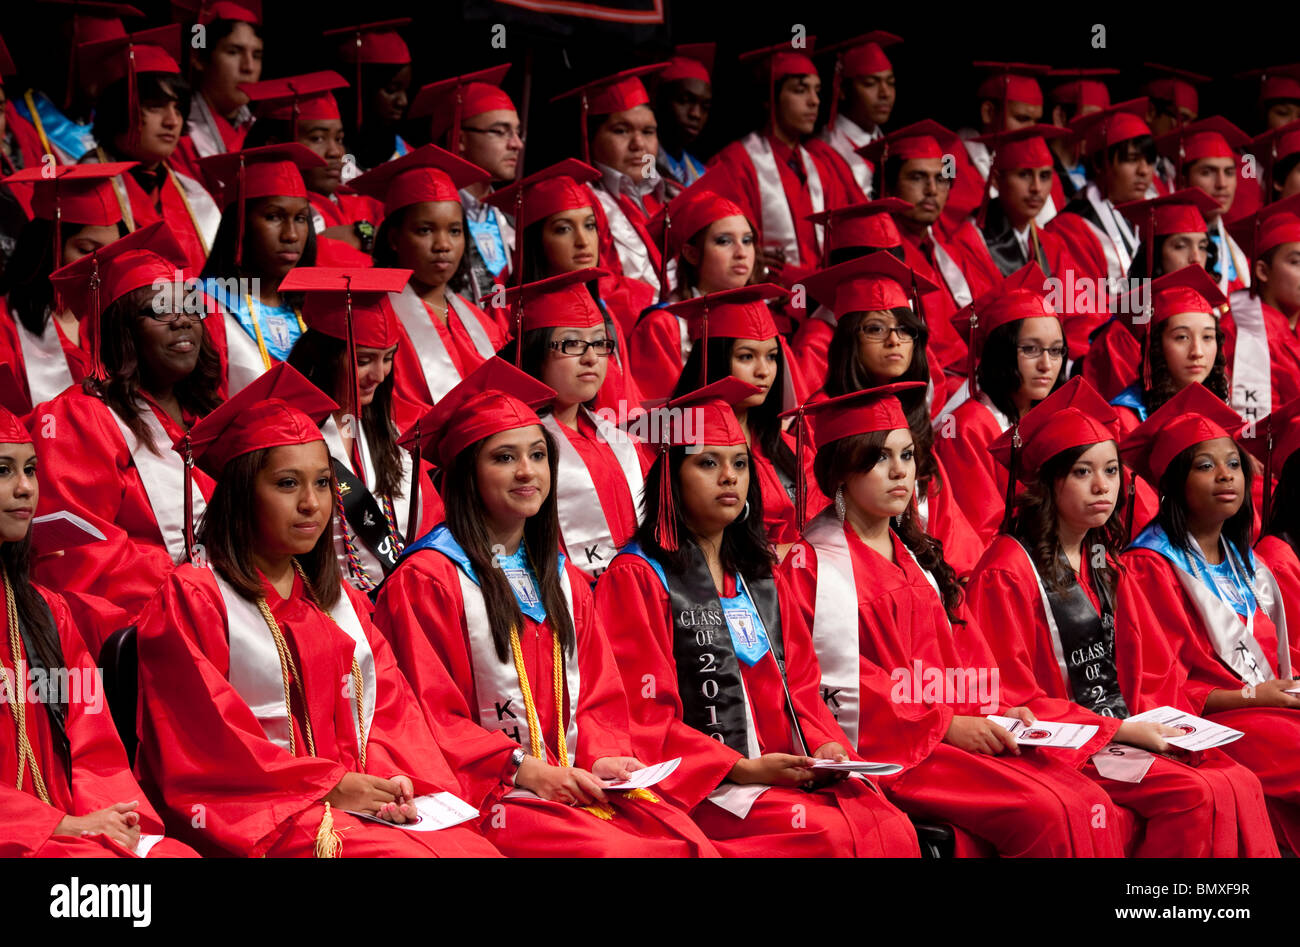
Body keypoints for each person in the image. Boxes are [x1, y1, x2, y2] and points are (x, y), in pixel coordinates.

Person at [135, 363, 500, 857]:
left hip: (359, 802)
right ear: (243, 494)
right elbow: (205, 741)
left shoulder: (341, 600)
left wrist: (394, 781)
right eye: (287, 484)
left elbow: (391, 713)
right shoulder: (195, 598)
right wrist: (328, 786)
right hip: (267, 816)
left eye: (324, 484)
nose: (312, 504)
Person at [371, 358, 720, 856]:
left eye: (537, 455)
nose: (527, 471)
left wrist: (603, 758)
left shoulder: (561, 577)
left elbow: (598, 695)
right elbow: (428, 714)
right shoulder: (428, 579)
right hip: (491, 792)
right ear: (468, 474)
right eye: (504, 458)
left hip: (571, 778)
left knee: (684, 837)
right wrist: (522, 768)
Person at [779, 382, 1127, 857]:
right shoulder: (811, 566)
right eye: (880, 458)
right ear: (841, 473)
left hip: (946, 732)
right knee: (1045, 810)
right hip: (889, 751)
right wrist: (944, 724)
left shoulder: (917, 557)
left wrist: (994, 707)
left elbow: (965, 655)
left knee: (1081, 797)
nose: (901, 471)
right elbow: (823, 681)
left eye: (907, 456)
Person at [594, 377, 921, 856]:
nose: (730, 477)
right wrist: (742, 768)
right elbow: (642, 715)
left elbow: (804, 685)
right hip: (703, 786)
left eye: (740, 464)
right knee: (830, 835)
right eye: (708, 463)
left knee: (886, 822)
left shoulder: (759, 574)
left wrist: (823, 746)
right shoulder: (638, 577)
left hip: (782, 772)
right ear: (670, 478)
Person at [967, 377, 1279, 857]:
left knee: (1235, 778)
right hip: (1065, 746)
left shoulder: (1107, 563)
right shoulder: (1006, 571)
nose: (1102, 487)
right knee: (1194, 792)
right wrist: (1119, 730)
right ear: (1050, 482)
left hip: (1121, 731)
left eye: (1112, 471)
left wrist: (1169, 723)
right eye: (1083, 473)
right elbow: (1013, 697)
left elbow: (1153, 671)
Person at [0, 403, 197, 858]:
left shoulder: (44, 611)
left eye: (30, 469)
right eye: (4, 470)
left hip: (65, 825)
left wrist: (110, 819)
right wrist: (63, 825)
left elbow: (91, 744)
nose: (25, 487)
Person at [1119, 383, 1300, 853]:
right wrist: (1251, 693)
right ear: (1175, 481)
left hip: (1269, 711)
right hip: (1218, 726)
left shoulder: (1244, 562)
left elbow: (1281, 657)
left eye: (1234, 464)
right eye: (1206, 466)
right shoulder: (1150, 565)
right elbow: (1161, 691)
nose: (1227, 476)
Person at [33, 222, 221, 652]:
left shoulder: (208, 415)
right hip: (142, 626)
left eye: (190, 307)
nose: (181, 322)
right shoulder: (79, 417)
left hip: (221, 606)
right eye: (158, 310)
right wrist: (201, 587)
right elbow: (80, 554)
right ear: (121, 329)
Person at [801, 252, 983, 575]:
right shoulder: (820, 422)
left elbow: (956, 544)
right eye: (875, 328)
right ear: (849, 339)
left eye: (904, 329)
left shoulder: (915, 431)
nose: (894, 340)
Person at [284, 266, 441, 594]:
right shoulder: (285, 434)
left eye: (388, 358)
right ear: (324, 357)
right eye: (364, 360)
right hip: (320, 601)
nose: (380, 374)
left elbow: (428, 527)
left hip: (397, 603)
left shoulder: (393, 435)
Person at [496, 270, 646, 584]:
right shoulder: (514, 448)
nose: (591, 358)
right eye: (572, 344)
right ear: (536, 353)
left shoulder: (621, 441)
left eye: (600, 343)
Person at [349, 144, 502, 430]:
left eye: (454, 231)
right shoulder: (373, 319)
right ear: (394, 238)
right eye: (425, 230)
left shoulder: (481, 322)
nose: (443, 245)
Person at [484, 159, 644, 413]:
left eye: (590, 226)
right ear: (536, 240)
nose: (583, 241)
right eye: (564, 229)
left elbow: (627, 400)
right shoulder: (505, 308)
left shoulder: (602, 311)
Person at [667, 284, 816, 554]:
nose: (763, 371)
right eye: (746, 356)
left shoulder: (794, 451)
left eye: (772, 357)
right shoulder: (680, 448)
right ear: (714, 360)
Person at [708, 40, 864, 290]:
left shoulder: (822, 167)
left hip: (822, 302)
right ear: (770, 97)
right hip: (769, 300)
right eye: (800, 90)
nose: (814, 101)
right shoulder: (735, 163)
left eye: (817, 91)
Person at [934, 271, 1067, 545]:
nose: (1046, 365)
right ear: (1001, 353)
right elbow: (981, 528)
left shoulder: (1050, 419)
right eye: (1030, 349)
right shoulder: (967, 426)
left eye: (1056, 351)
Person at [78, 26, 221, 273]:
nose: (172, 121)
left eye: (178, 108)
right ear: (119, 108)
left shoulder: (194, 194)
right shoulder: (82, 187)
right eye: (156, 107)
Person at [947, 124, 1097, 356]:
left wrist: (1073, 360)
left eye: (1045, 176)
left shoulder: (1052, 244)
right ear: (996, 179)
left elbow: (1079, 312)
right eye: (1024, 174)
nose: (1037, 188)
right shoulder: (968, 242)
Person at [0, 164, 131, 409]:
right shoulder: (4, 325)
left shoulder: (112, 317)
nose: (99, 265)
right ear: (48, 247)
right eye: (85, 250)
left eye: (111, 253)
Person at [197, 143, 324, 396]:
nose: (291, 235)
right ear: (239, 224)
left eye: (300, 219)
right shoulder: (204, 305)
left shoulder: (314, 307)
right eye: (273, 217)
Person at [857, 121, 980, 379]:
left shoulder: (952, 252)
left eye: (940, 179)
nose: (932, 190)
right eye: (917, 177)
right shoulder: (877, 256)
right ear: (889, 186)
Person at [1084, 188, 1219, 402]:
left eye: (1202, 247)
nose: (1196, 258)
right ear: (1155, 255)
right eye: (1180, 246)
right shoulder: (1121, 336)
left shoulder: (1206, 321)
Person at [631, 184, 758, 401]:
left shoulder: (758, 319)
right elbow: (662, 417)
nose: (741, 253)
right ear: (690, 253)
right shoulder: (662, 326)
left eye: (747, 240)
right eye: (724, 241)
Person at [553, 65, 669, 297]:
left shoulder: (664, 198)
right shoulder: (581, 202)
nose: (639, 145)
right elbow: (601, 289)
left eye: (648, 132)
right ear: (591, 137)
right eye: (621, 131)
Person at [239, 71, 384, 253]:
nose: (335, 152)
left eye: (339, 139)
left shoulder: (369, 207)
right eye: (317, 138)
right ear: (275, 146)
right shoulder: (259, 215)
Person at [410, 66, 520, 303]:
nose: (517, 144)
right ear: (459, 139)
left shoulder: (512, 218)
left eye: (518, 132)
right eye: (501, 132)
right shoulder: (422, 215)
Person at [1045, 99, 1152, 287]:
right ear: (1100, 164)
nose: (1144, 170)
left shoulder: (1152, 215)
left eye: (1150, 160)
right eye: (1131, 159)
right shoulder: (1070, 227)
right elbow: (1079, 304)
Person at [1154, 118, 1252, 294]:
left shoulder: (1239, 254)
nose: (1222, 184)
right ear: (1183, 181)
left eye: (1229, 173)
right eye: (1207, 172)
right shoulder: (1165, 244)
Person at [169, 2, 262, 180]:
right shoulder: (176, 133)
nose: (249, 67)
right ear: (198, 57)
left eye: (257, 56)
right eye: (233, 52)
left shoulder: (259, 128)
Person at [324, 19, 412, 173]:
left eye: (406, 90)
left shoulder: (408, 157)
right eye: (391, 90)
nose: (403, 102)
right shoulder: (328, 163)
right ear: (360, 89)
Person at [654, 44, 714, 188]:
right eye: (684, 101)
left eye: (705, 107)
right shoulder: (642, 164)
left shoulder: (701, 173)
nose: (696, 114)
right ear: (658, 100)